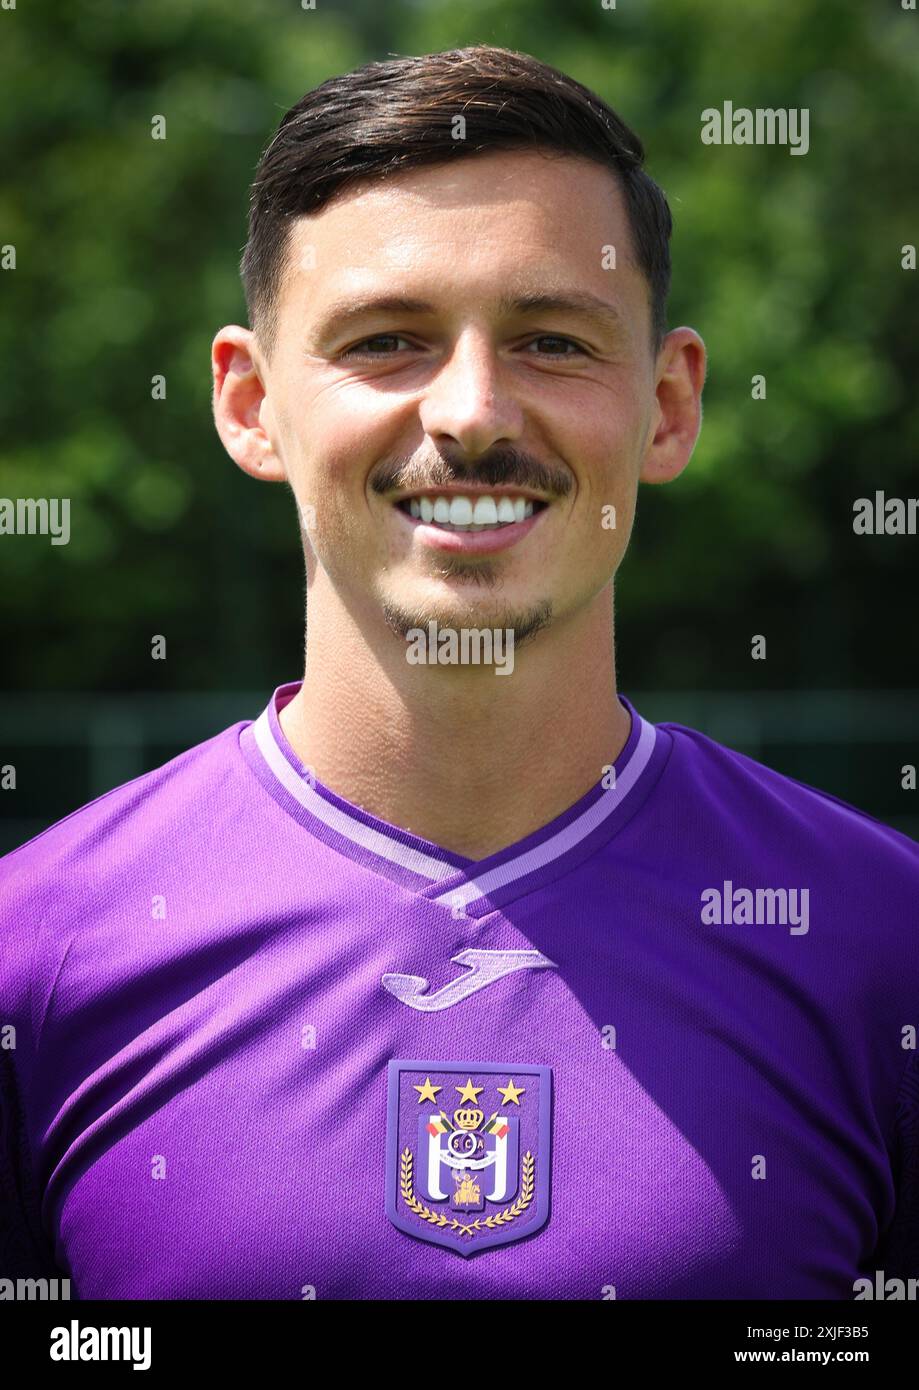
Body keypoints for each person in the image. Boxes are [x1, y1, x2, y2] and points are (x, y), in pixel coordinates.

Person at [1, 45, 916, 1301]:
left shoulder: (880, 943)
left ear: (666, 405)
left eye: (550, 340)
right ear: (251, 402)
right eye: (387, 340)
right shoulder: (39, 951)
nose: (473, 411)